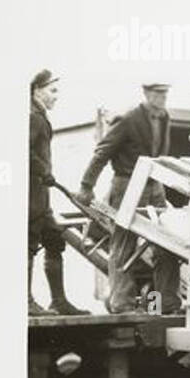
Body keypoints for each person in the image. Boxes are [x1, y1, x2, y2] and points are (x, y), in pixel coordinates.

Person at [77, 82, 182, 314]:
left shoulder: (164, 117)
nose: (162, 98)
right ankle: (121, 303)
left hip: (154, 185)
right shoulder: (128, 119)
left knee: (166, 243)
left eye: (165, 93)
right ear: (146, 94)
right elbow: (102, 152)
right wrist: (86, 186)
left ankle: (165, 303)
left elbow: (160, 156)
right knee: (124, 244)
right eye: (157, 93)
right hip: (127, 185)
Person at [29, 70, 86, 316]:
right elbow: (23, 151)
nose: (56, 97)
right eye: (52, 91)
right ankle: (26, 301)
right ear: (36, 91)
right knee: (28, 245)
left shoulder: (40, 117)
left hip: (41, 194)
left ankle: (59, 301)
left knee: (54, 238)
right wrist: (43, 171)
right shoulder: (33, 117)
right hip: (30, 194)